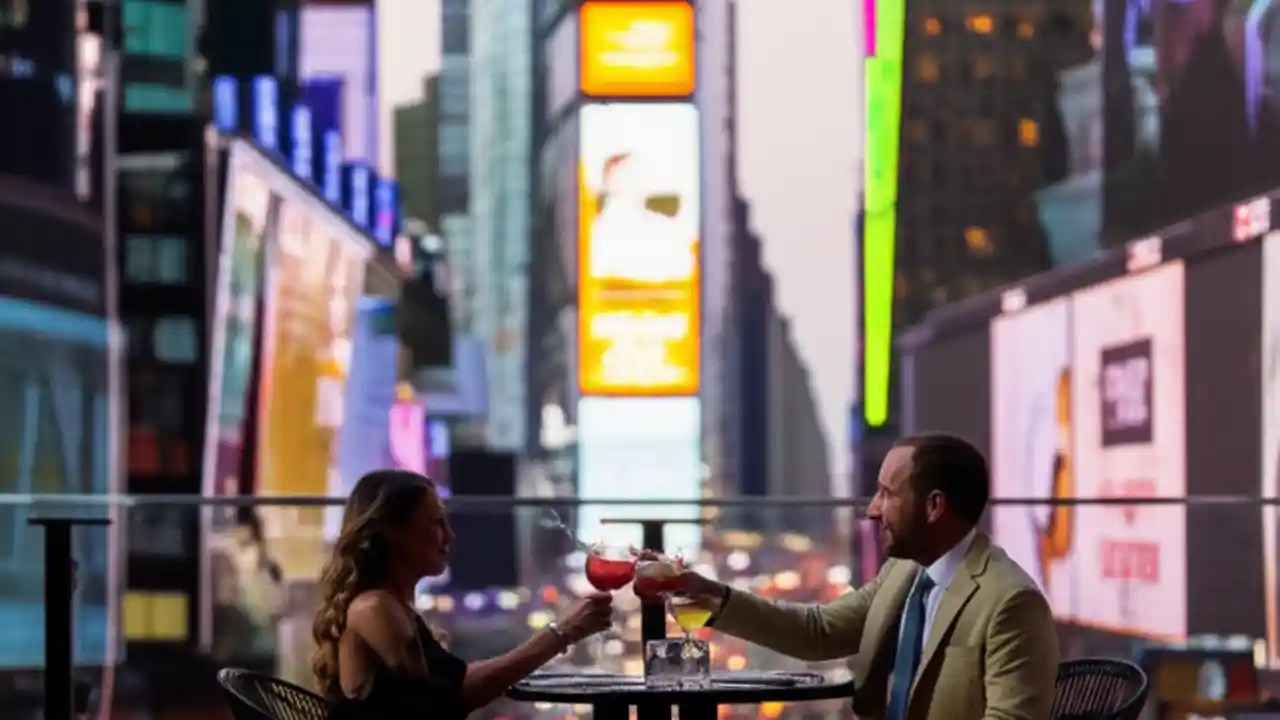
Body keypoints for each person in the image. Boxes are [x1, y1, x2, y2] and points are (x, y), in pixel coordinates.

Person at [670, 433, 1059, 720]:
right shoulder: (904, 572)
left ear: (934, 506)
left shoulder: (1010, 603)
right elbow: (817, 632)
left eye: (887, 494)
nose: (873, 510)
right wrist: (715, 597)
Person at [313, 470, 613, 719]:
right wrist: (562, 633)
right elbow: (456, 695)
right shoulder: (373, 607)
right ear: (391, 531)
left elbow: (453, 685)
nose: (450, 537)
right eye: (436, 523)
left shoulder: (387, 607)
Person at [587, 152, 695, 284]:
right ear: (610, 181)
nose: (640, 181)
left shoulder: (662, 228)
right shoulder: (597, 235)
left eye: (640, 174)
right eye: (631, 174)